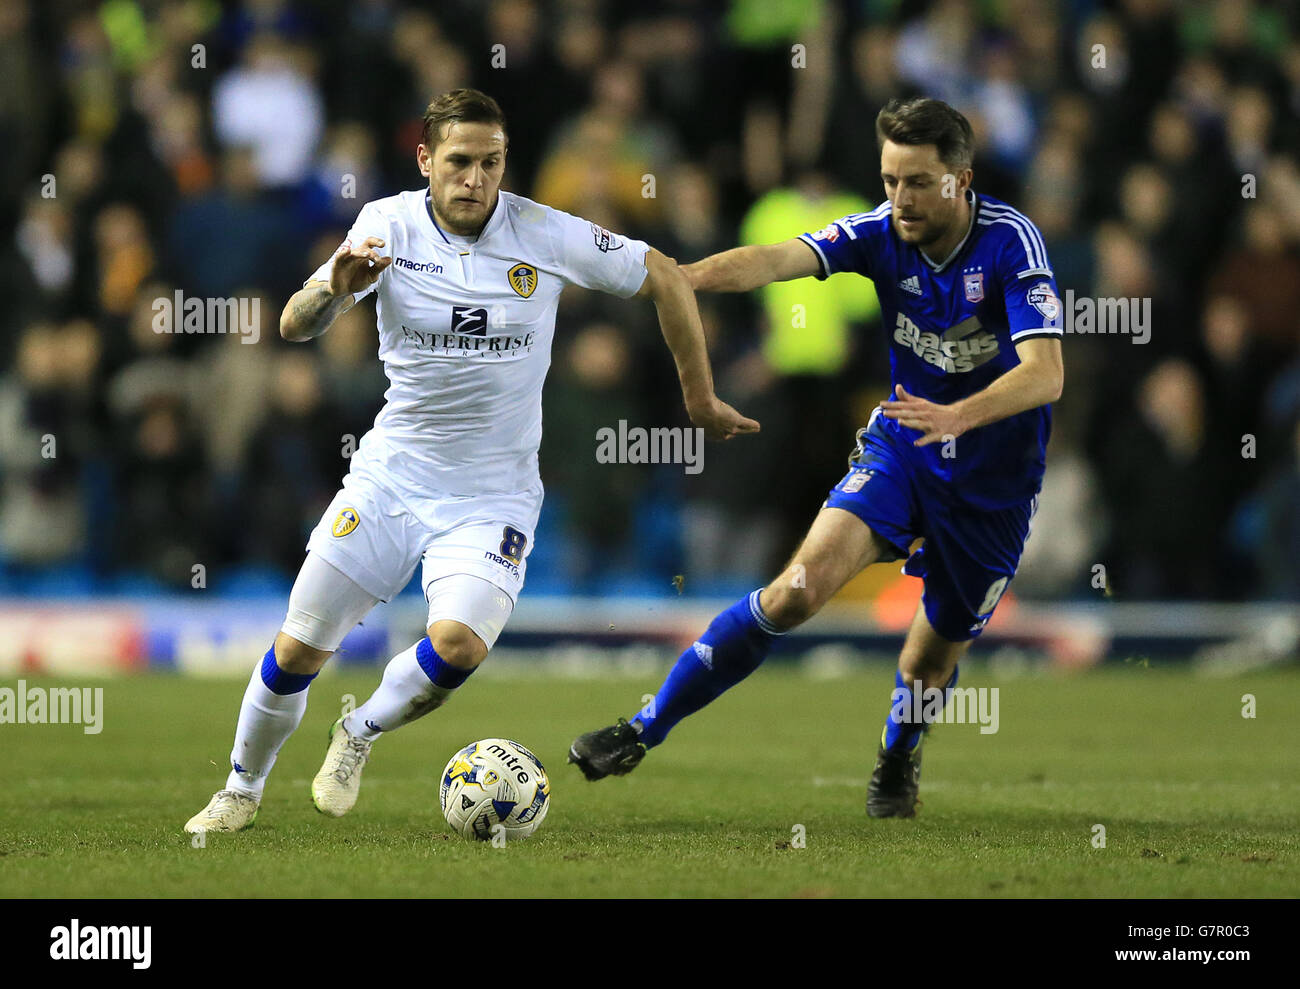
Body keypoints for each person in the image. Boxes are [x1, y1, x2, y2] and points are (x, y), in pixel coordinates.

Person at [184, 88, 757, 833]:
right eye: (459, 161)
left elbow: (667, 276)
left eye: (491, 162)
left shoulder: (545, 232)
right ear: (426, 160)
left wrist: (701, 399)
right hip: (392, 478)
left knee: (457, 643)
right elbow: (294, 323)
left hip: (494, 494)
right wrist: (333, 289)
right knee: (296, 649)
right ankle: (240, 786)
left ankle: (358, 732)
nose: (476, 178)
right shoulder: (384, 224)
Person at [569, 97, 1064, 818]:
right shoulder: (879, 230)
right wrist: (684, 276)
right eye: (891, 179)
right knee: (795, 591)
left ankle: (898, 754)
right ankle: (642, 728)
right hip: (904, 448)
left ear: (962, 177)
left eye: (919, 182)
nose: (900, 199)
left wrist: (959, 412)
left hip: (994, 484)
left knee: (927, 660)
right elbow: (777, 259)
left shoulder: (1012, 244)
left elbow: (1046, 373)